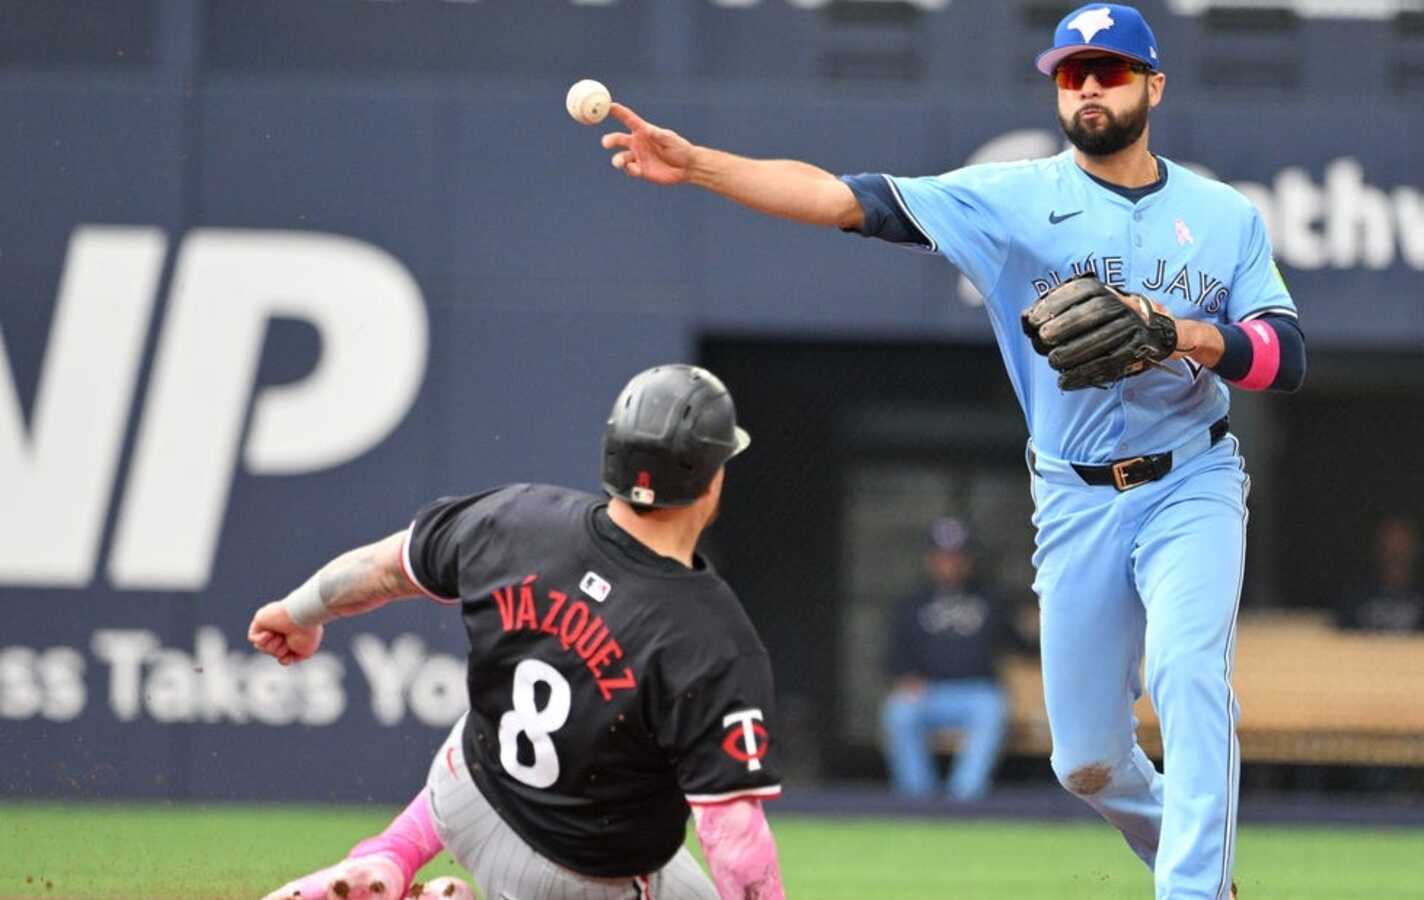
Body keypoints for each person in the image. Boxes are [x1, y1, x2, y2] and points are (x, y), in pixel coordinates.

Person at [595, 5, 1306, 896]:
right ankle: (1190, 857)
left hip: (1190, 479)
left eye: (1110, 71)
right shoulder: (1010, 198)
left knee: (1187, 671)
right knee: (1086, 761)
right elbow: (841, 199)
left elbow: (1284, 355)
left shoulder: (1222, 215)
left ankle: (1192, 889)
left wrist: (1182, 334)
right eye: (1071, 73)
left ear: (1153, 86)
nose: (1088, 86)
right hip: (1076, 496)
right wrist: (699, 164)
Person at [250, 365, 788, 900]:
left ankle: (390, 854)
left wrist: (297, 614)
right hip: (579, 878)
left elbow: (386, 568)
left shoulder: (516, 519)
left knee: (501, 705)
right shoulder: (712, 638)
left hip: (463, 798)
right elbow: (733, 839)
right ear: (712, 478)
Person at [880, 517, 1021, 802]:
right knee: (899, 711)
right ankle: (918, 798)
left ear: (969, 560)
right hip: (929, 693)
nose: (950, 564)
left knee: (992, 709)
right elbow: (893, 656)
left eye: (957, 557)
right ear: (930, 560)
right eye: (943, 557)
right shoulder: (912, 602)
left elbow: (1016, 643)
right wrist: (906, 677)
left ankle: (963, 799)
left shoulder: (991, 598)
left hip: (978, 692)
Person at [1336, 514, 1424, 633]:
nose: (1396, 554)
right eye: (1389, 547)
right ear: (1378, 550)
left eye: (1403, 546)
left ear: (1415, 549)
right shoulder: (1355, 601)